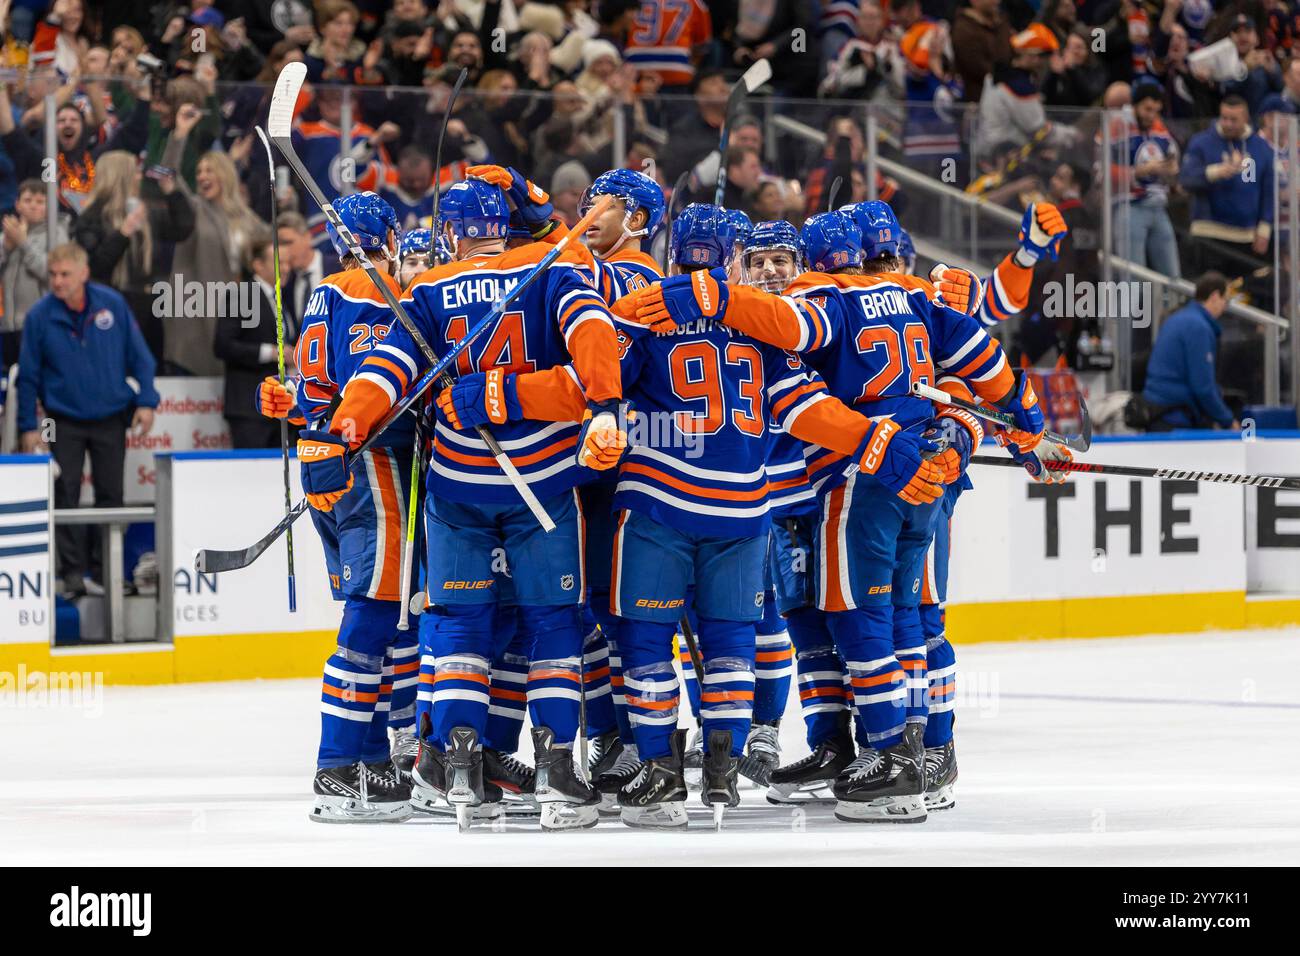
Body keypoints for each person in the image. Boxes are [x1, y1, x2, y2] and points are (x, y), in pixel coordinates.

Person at [319, 170, 627, 832]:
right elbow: (594, 338)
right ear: (506, 223)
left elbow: (384, 374)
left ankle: (459, 766)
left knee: (460, 627)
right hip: (543, 481)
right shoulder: (553, 265)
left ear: (453, 232)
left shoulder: (427, 286)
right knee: (551, 625)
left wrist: (345, 424)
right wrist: (602, 404)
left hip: (456, 485)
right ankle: (555, 772)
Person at [257, 192, 419, 823]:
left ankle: (375, 764)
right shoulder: (379, 292)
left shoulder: (323, 290)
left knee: (380, 620)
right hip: (369, 466)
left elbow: (315, 393)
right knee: (373, 626)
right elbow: (380, 386)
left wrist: (291, 404)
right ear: (385, 239)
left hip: (325, 467)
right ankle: (336, 766)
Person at [16, 243, 158, 598]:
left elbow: (141, 358)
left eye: (64, 274)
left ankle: (106, 570)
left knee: (112, 495)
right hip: (63, 421)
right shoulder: (39, 316)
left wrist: (146, 400)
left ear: (83, 273)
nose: (57, 281)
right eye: (53, 274)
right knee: (65, 496)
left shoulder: (111, 304)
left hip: (111, 417)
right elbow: (28, 376)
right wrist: (28, 427)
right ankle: (73, 574)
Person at [1179, 95, 1275, 300]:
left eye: (1234, 119)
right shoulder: (1201, 142)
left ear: (1246, 118)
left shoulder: (1261, 147)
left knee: (1246, 297)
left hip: (1246, 238)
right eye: (1224, 118)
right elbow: (1186, 179)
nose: (1228, 124)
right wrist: (1216, 172)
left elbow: (1268, 191)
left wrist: (1264, 228)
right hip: (1209, 235)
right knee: (1210, 298)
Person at [216, 236, 295, 450]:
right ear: (258, 265)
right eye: (279, 263)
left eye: (288, 262)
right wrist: (271, 353)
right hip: (250, 408)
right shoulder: (241, 293)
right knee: (251, 478)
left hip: (280, 409)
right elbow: (222, 345)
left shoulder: (281, 298)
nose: (286, 268)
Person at [1140, 271, 1239, 431]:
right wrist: (1228, 420)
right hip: (1175, 418)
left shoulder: (1178, 318)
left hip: (1157, 412)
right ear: (1214, 296)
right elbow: (1203, 387)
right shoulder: (1198, 327)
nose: (1224, 306)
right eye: (1224, 300)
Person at [0, 179, 70, 368]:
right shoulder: (8, 234)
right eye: (28, 200)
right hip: (7, 323)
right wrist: (6, 247)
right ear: (17, 204)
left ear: (49, 206)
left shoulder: (57, 234)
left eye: (40, 202)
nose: (33, 206)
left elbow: (53, 276)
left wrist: (23, 243)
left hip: (40, 322)